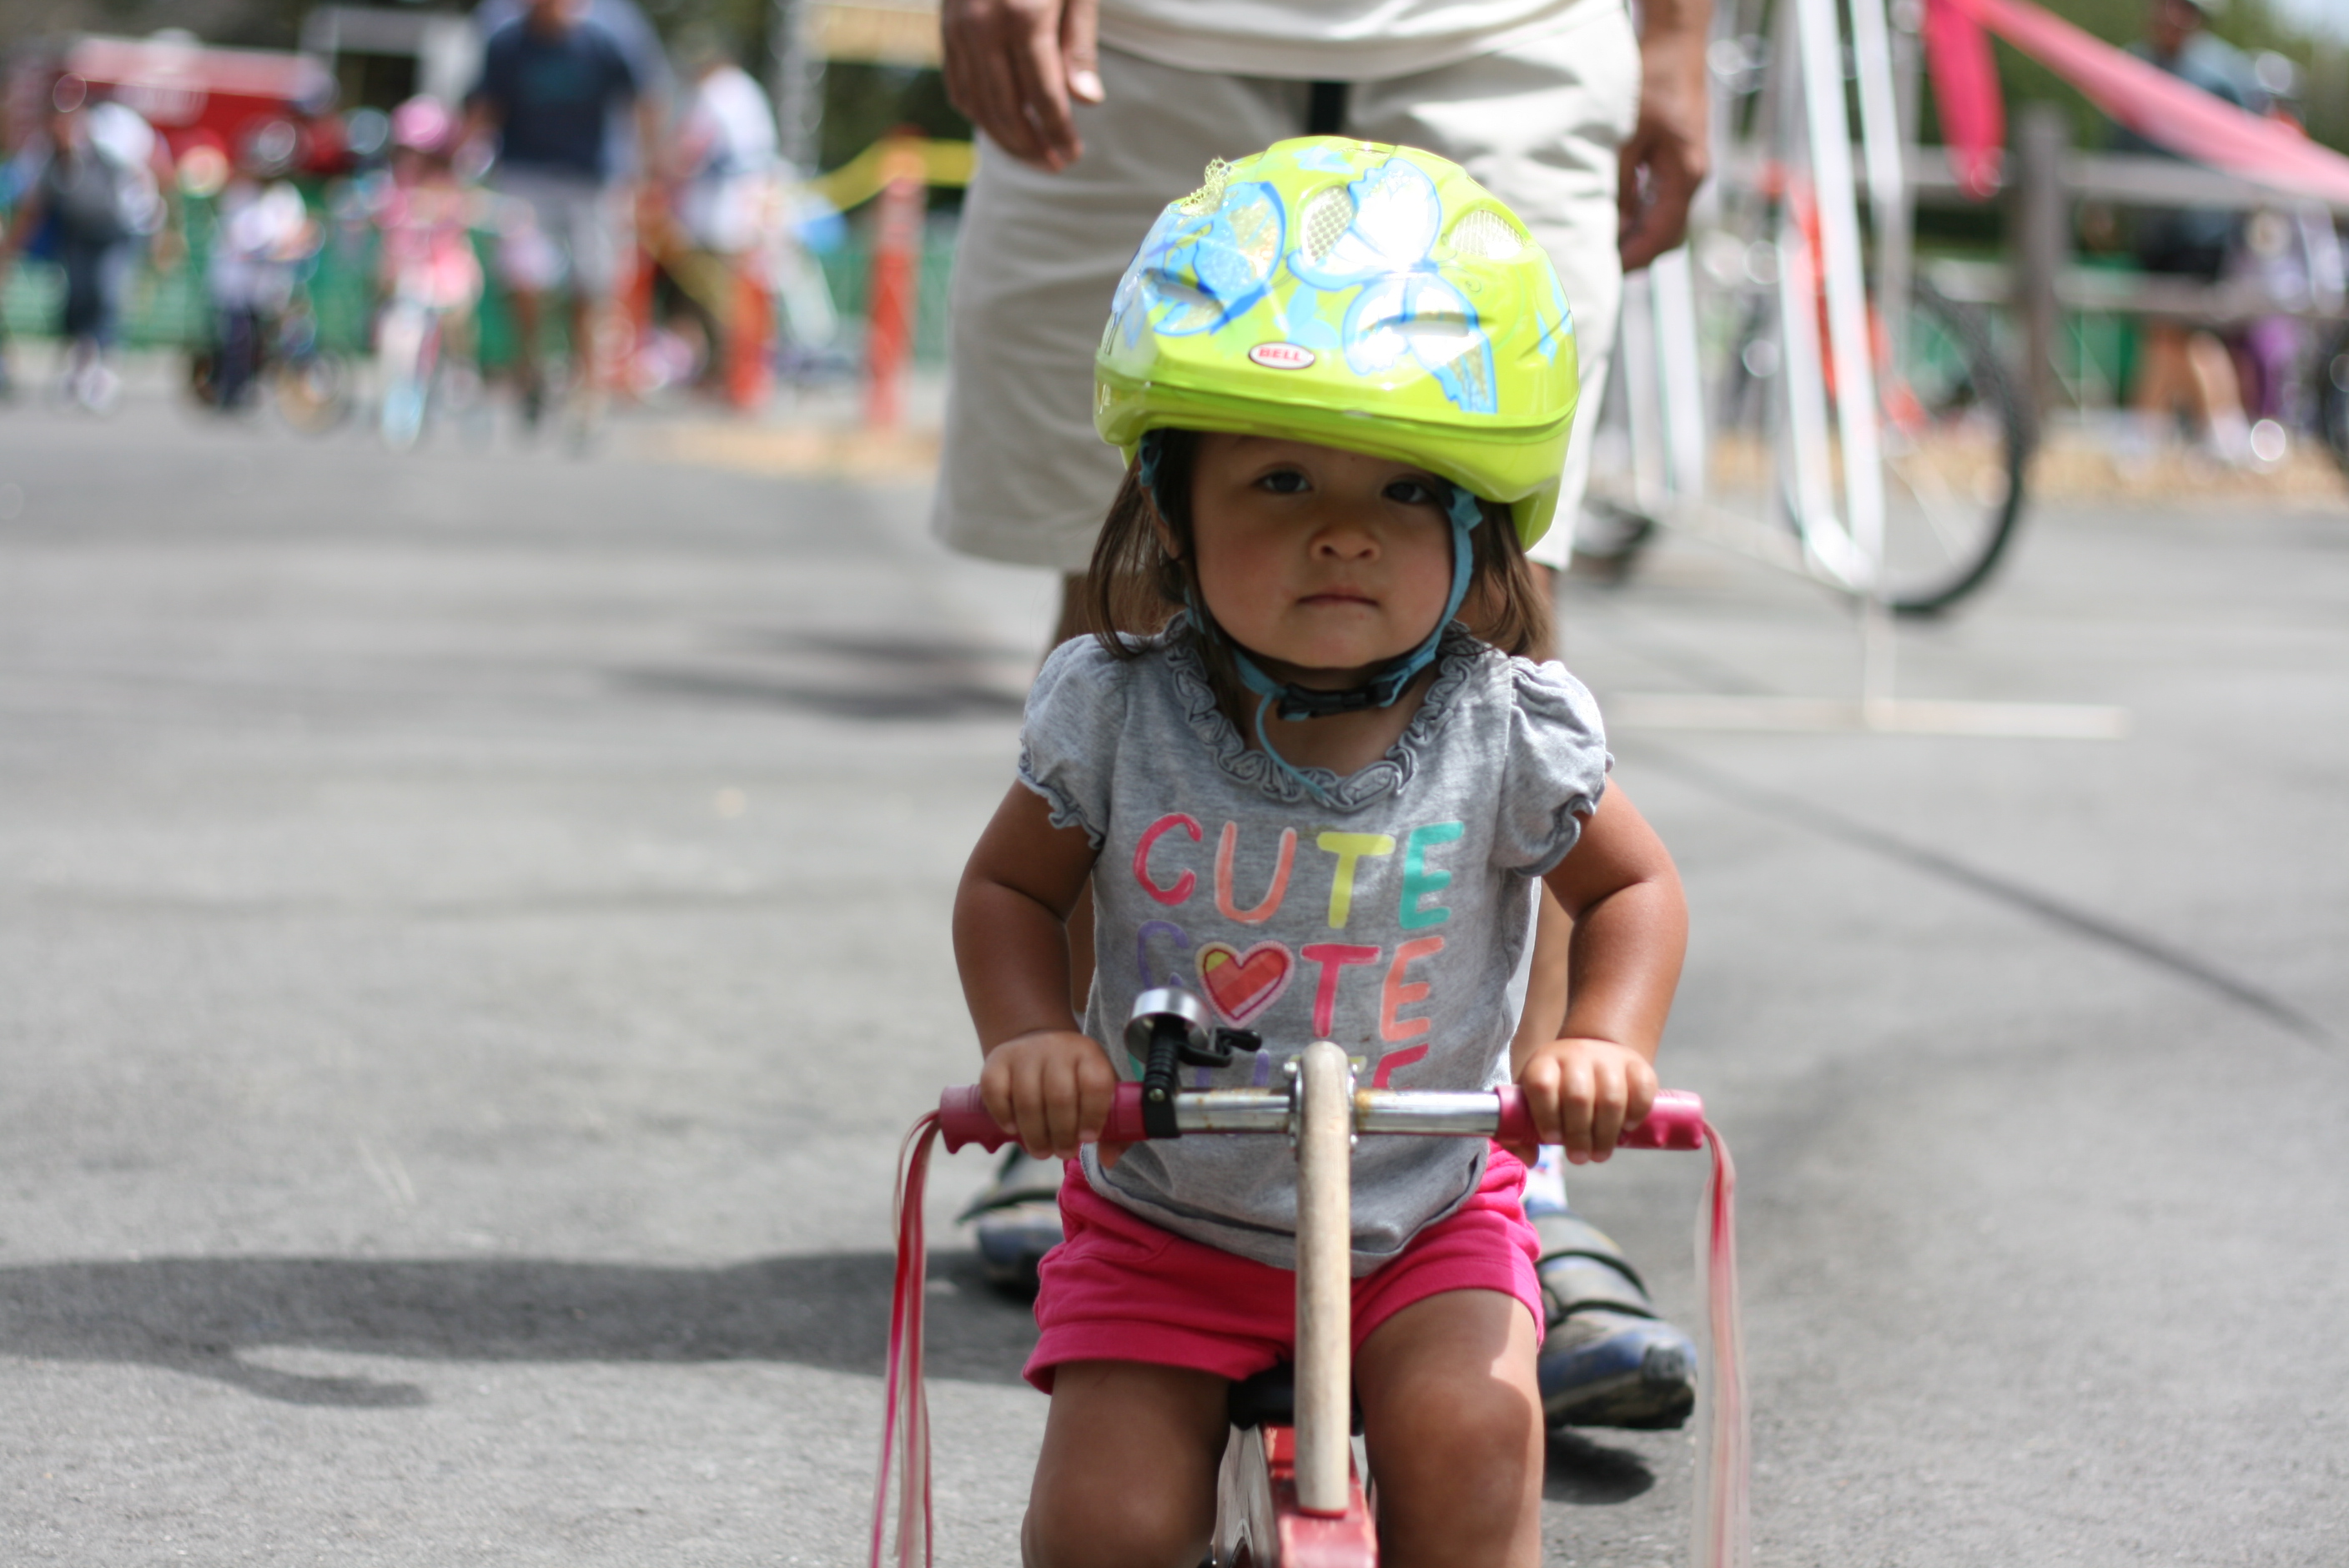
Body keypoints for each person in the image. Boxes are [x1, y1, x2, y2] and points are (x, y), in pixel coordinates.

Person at [938, 0, 1711, 1430]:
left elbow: (1632, 884)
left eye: (1409, 497)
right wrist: (1029, 1043)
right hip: (1143, 36)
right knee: (1103, 1515)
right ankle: (1087, 1134)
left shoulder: (1511, 723)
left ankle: (1519, 1179)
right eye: (1282, 487)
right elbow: (1006, 881)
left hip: (1498, 25)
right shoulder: (1113, 703)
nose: (1345, 536)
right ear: (1167, 517)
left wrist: (1598, 1048)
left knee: (1479, 1453)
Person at [464, 0, 660, 431]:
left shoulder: (601, 43)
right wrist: (460, 162)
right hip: (524, 175)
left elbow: (642, 102)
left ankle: (588, 387)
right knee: (525, 279)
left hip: (588, 180)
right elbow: (484, 106)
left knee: (591, 286)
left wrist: (650, 174)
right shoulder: (508, 45)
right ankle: (529, 367)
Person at [2114, 0, 2259, 464]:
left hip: (2204, 224)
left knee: (2182, 328)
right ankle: (2199, 430)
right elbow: (2119, 140)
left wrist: (2245, 219)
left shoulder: (2225, 74)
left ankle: (2169, 429)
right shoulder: (2135, 64)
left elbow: (2247, 149)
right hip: (2153, 225)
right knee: (2167, 331)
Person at [0, 73, 172, 412]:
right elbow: (33, 207)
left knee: (107, 293)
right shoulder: (44, 154)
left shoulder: (110, 145)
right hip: (76, 232)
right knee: (77, 296)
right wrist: (10, 249)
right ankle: (79, 365)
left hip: (117, 230)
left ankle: (102, 369)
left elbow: (151, 180)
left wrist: (160, 233)